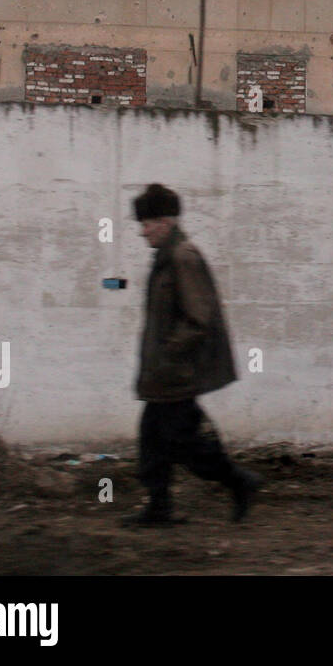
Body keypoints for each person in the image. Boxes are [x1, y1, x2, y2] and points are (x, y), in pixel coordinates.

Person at [124, 184, 262, 526]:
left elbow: (198, 319)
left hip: (176, 376)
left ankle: (240, 482)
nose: (142, 232)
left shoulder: (184, 257)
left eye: (147, 224)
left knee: (190, 445)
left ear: (166, 221)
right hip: (163, 375)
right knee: (152, 443)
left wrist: (169, 354)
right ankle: (159, 509)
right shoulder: (165, 258)